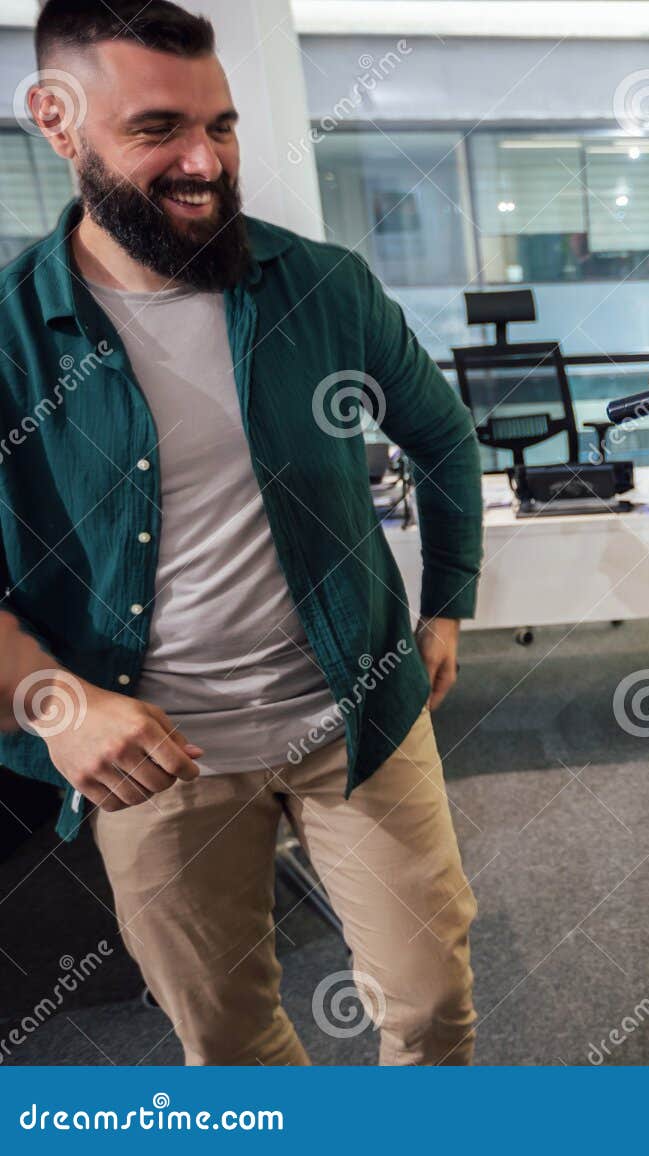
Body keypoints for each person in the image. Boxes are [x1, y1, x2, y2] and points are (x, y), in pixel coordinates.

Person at [0, 0, 482, 1065]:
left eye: (219, 127)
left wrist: (447, 604)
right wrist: (53, 700)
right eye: (157, 130)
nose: (204, 163)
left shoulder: (321, 287)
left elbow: (444, 443)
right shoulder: (9, 339)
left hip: (354, 720)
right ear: (54, 119)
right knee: (224, 1036)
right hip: (154, 766)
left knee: (431, 1001)